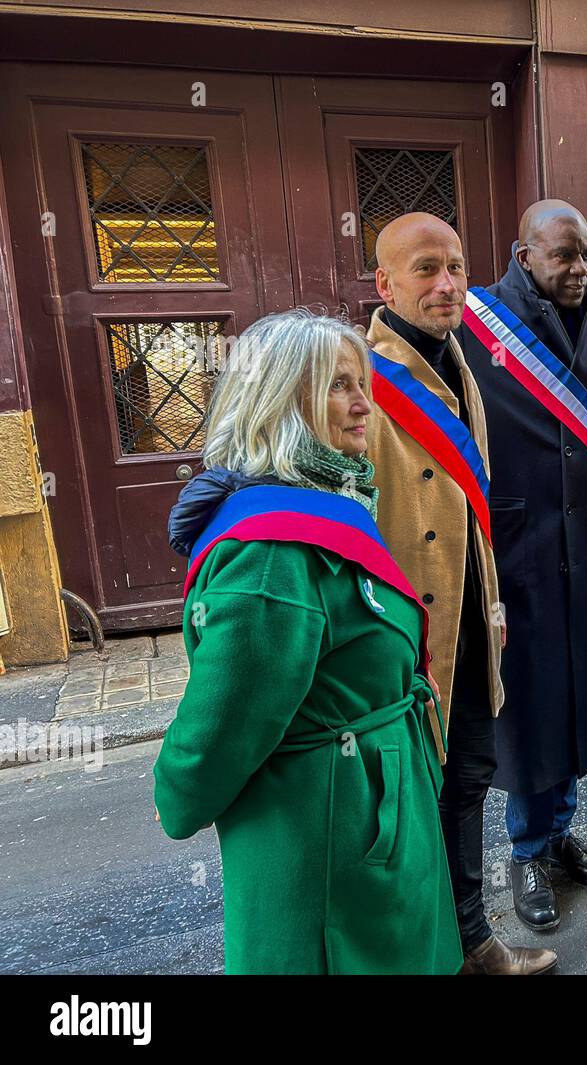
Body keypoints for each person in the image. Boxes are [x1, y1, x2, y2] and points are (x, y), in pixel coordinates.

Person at [157, 309, 460, 974]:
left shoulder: (334, 497)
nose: (363, 403)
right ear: (278, 400)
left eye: (362, 383)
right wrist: (177, 794)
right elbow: (220, 729)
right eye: (338, 386)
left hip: (371, 824)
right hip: (324, 847)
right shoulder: (271, 553)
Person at [366, 212, 556, 975]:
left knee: (468, 779)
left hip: (469, 622)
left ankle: (471, 938)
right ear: (384, 283)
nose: (446, 283)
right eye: (425, 269)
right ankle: (426, 952)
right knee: (406, 803)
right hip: (401, 635)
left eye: (455, 267)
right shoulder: (356, 376)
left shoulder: (456, 359)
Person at [456, 200, 587, 931]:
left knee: (577, 698)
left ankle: (560, 832)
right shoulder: (472, 327)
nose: (580, 268)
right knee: (526, 709)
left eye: (586, 254)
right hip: (516, 553)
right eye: (564, 255)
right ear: (523, 254)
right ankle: (525, 851)